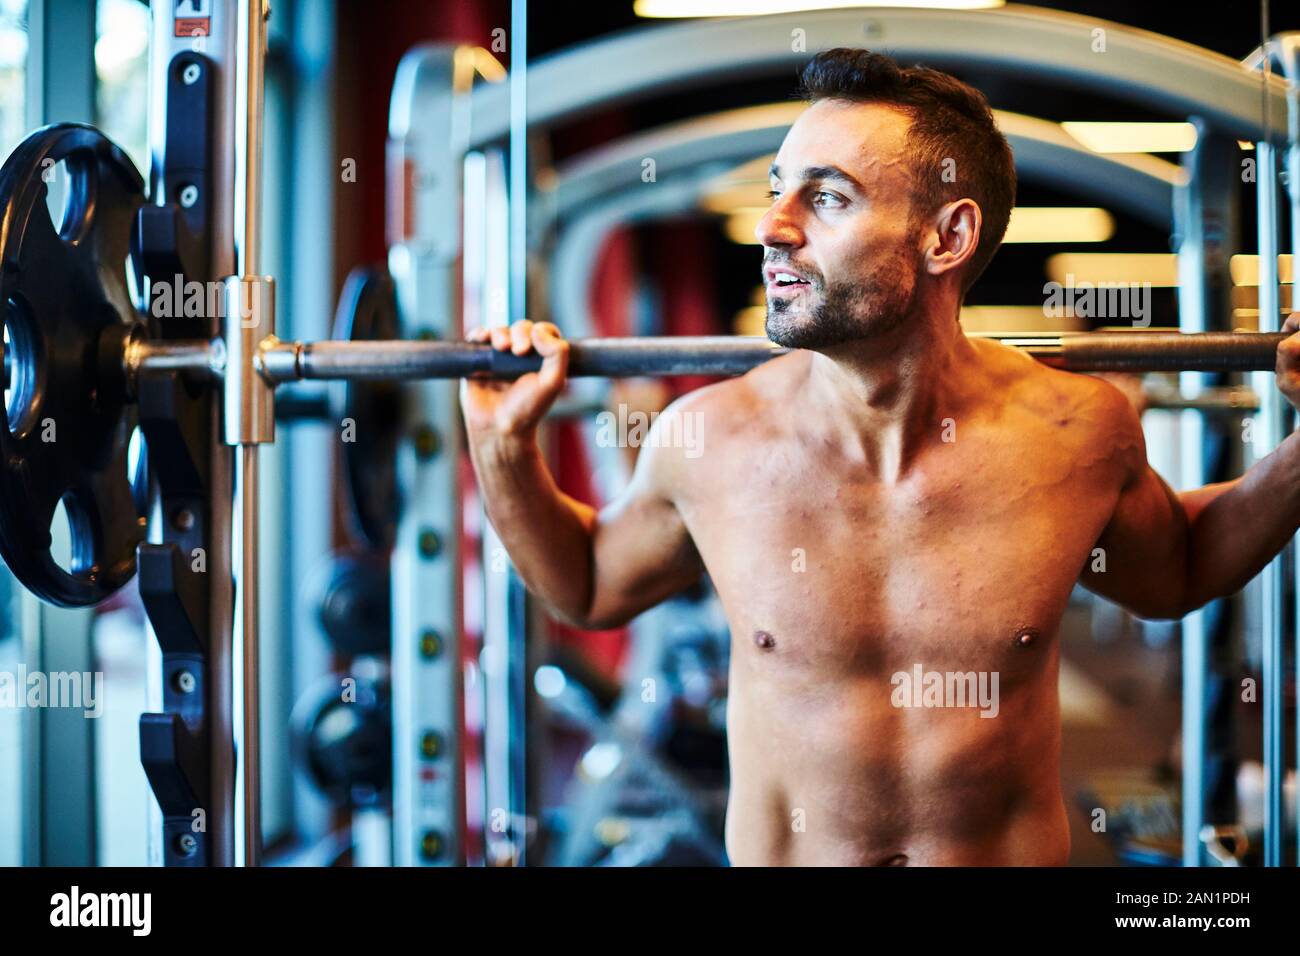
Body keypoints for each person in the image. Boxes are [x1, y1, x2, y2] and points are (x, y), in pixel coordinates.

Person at [460, 48, 1300, 866]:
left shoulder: (1073, 429)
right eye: (777, 189)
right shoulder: (714, 437)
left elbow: (1177, 569)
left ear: (947, 237)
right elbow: (588, 585)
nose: (771, 226)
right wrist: (503, 450)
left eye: (826, 197)